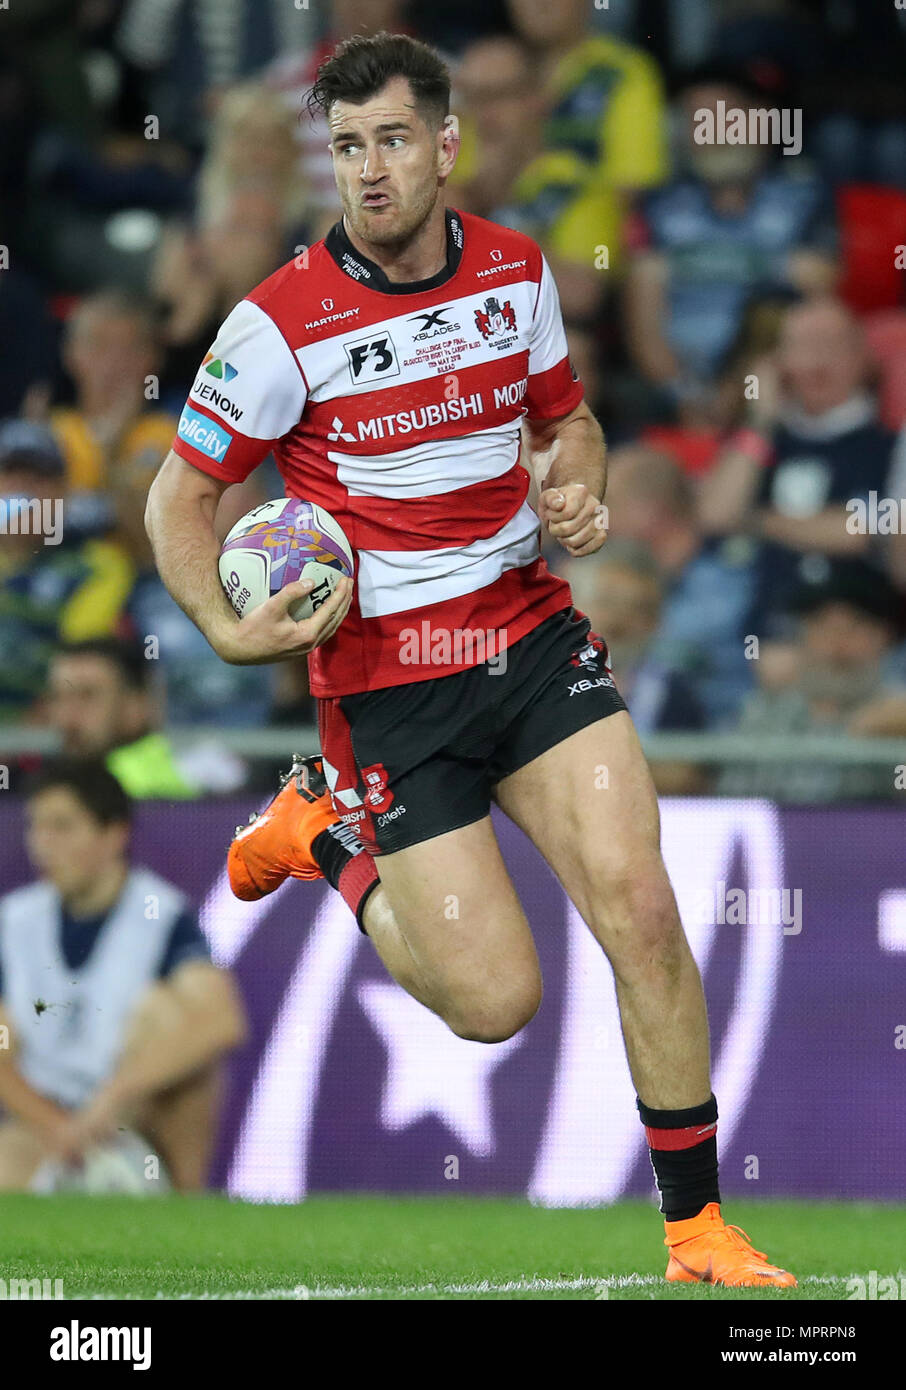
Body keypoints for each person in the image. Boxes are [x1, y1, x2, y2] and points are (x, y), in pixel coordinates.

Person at [145, 31, 795, 1288]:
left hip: (535, 639)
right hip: (390, 695)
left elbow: (571, 422)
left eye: (392, 140)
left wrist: (581, 490)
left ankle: (697, 1232)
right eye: (345, 148)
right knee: (494, 1006)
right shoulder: (277, 325)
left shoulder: (515, 271)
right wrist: (226, 629)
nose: (368, 171)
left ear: (448, 145)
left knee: (645, 909)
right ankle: (319, 834)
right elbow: (182, 498)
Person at [0, 761, 246, 1192]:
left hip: (129, 1116)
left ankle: (185, 1210)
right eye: (36, 827)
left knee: (170, 1016)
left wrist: (114, 1098)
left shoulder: (157, 914)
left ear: (113, 836)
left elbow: (221, 1021)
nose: (43, 844)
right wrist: (59, 1128)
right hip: (46, 1123)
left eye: (62, 827)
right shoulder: (15, 921)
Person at [624, 63, 837, 430]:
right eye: (695, 119)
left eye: (723, 117)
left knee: (774, 315)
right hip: (676, 398)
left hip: (781, 387)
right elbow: (643, 311)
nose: (711, 134)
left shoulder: (803, 195)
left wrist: (739, 388)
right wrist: (685, 394)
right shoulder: (659, 207)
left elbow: (823, 280)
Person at [698, 297, 898, 641]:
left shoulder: (888, 445)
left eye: (831, 346)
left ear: (862, 356)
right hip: (750, 622)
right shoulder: (760, 440)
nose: (818, 361)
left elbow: (860, 533)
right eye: (802, 346)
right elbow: (714, 515)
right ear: (779, 362)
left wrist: (755, 520)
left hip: (850, 629)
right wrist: (760, 421)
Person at [719, 563, 906, 801]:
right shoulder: (764, 712)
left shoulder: (897, 712)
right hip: (781, 835)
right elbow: (736, 800)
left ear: (884, 636)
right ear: (803, 635)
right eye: (823, 626)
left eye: (855, 627)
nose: (838, 646)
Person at [0, 420, 134, 724]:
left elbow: (77, 675)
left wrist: (16, 743)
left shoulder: (97, 565)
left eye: (39, 478)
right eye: (11, 475)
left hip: (39, 747)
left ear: (64, 492)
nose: (24, 491)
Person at [44, 638, 246, 797]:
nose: (66, 716)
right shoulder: (36, 786)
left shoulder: (197, 777)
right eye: (57, 697)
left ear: (138, 705)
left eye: (88, 695)